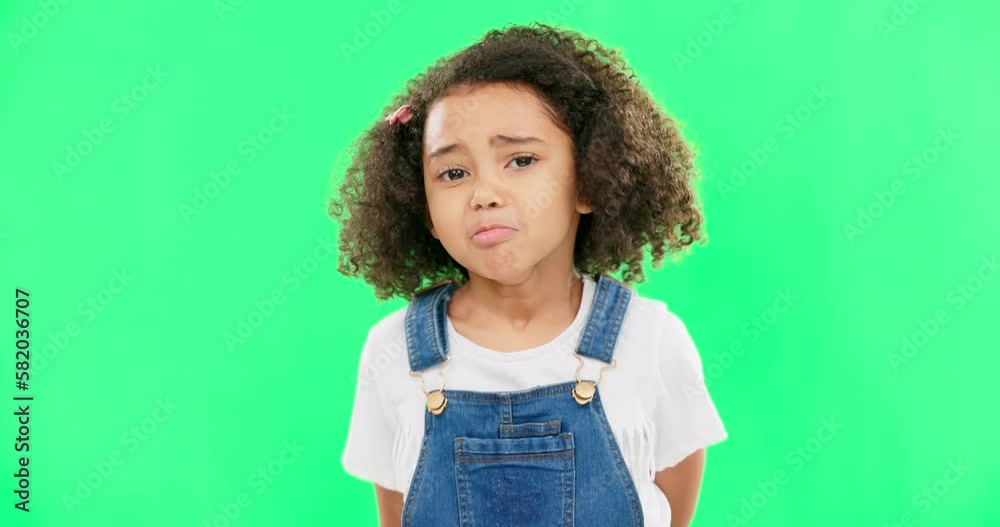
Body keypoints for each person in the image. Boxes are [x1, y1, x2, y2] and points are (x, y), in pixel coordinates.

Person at [329, 22, 727, 527]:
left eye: (520, 159)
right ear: (424, 209)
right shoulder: (393, 353)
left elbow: (673, 512)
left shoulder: (651, 340)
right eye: (453, 172)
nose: (484, 193)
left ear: (589, 180)